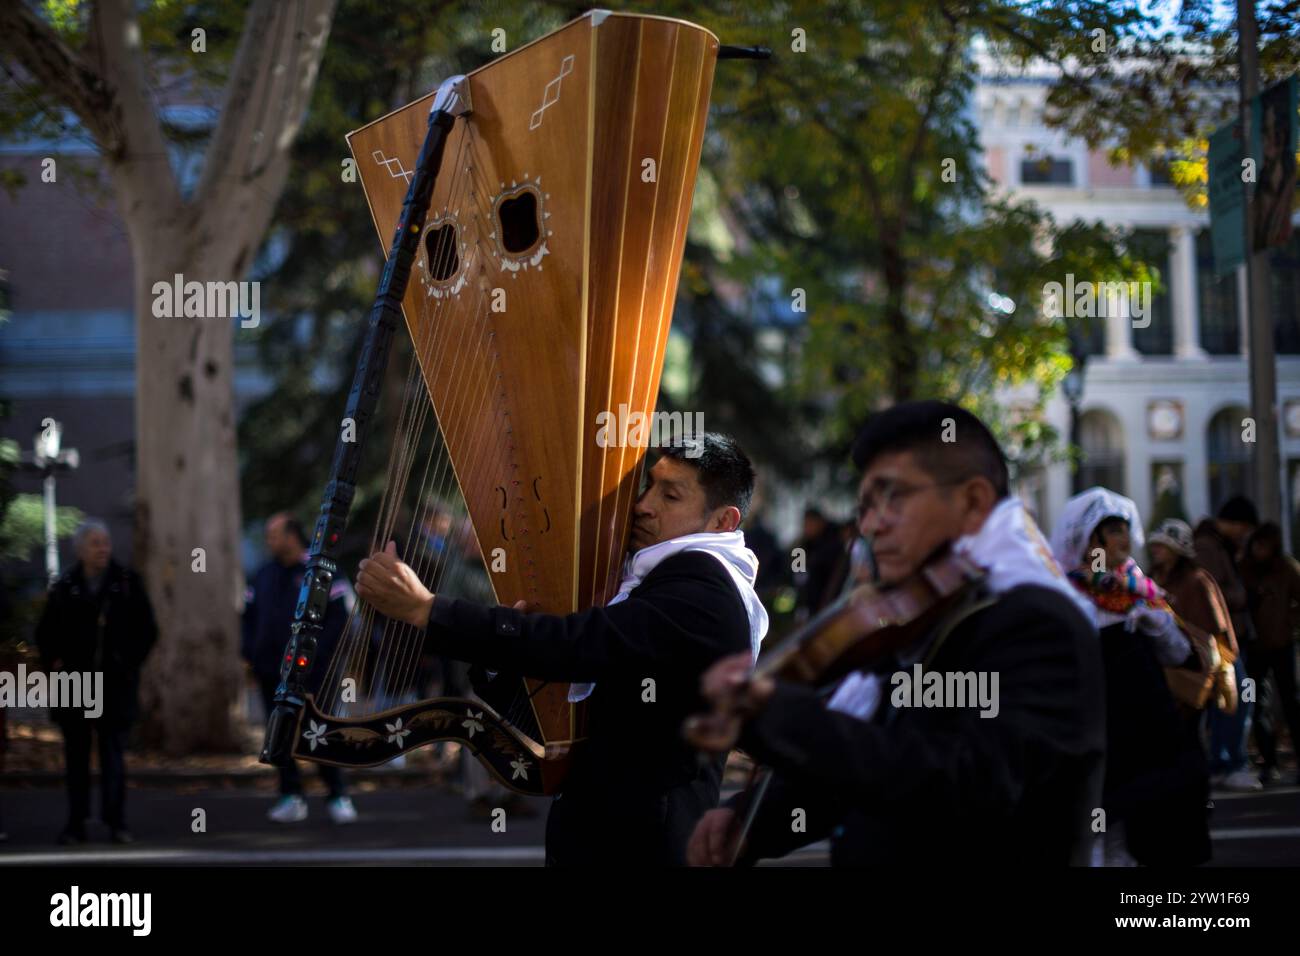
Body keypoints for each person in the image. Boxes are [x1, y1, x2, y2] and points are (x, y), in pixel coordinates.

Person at [687, 401, 1105, 867]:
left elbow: (962, 785)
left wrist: (790, 717)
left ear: (973, 501)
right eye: (865, 506)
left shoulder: (1039, 624)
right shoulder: (922, 617)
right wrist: (750, 820)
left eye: (894, 497)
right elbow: (863, 770)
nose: (870, 525)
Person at [356, 433, 767, 865]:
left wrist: (428, 610)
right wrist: (507, 651)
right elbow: (566, 700)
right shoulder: (654, 579)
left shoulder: (702, 585)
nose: (643, 504)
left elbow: (577, 645)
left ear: (723, 521)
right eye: (648, 485)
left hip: (645, 846)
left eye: (670, 495)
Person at [1051, 489, 1209, 867]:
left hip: (1148, 734)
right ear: (1089, 538)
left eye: (1125, 529)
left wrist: (1157, 624)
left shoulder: (1139, 587)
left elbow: (1177, 654)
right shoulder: (1066, 593)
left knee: (1150, 830)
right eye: (1112, 530)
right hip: (1097, 730)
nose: (1125, 538)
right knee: (1099, 829)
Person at [35, 519, 157, 844]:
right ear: (80, 549)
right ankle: (76, 823)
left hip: (114, 683)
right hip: (73, 684)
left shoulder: (127, 583)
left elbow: (147, 630)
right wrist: (55, 667)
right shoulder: (65, 585)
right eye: (95, 543)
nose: (103, 548)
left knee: (113, 755)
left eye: (105, 542)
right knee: (75, 756)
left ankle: (116, 822)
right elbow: (46, 634)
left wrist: (127, 663)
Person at [242, 512, 357, 824]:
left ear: (292, 536)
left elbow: (341, 617)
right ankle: (290, 796)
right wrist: (250, 652)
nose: (269, 541)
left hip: (314, 673)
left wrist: (319, 654)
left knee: (317, 731)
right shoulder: (263, 574)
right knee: (279, 734)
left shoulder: (323, 570)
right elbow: (248, 616)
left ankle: (337, 795)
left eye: (274, 535)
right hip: (271, 671)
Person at [1195, 496, 1260, 790]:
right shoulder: (1209, 546)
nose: (1245, 534)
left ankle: (1225, 761)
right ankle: (1229, 762)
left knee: (1230, 701)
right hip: (1219, 637)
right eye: (1244, 528)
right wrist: (1242, 596)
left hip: (1221, 636)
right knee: (1236, 700)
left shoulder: (1217, 543)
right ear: (1235, 523)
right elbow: (1214, 591)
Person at [1147, 518, 1239, 720]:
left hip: (1193, 673)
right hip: (1160, 672)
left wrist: (1220, 672)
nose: (1156, 549)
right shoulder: (1150, 580)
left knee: (1192, 736)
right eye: (1156, 544)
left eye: (1163, 545)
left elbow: (1217, 633)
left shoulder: (1197, 581)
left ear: (1178, 549)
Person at [1239, 522, 1300, 786]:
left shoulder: (1286, 569)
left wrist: (1290, 622)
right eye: (1256, 544)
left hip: (1282, 646)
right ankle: (1267, 760)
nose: (1259, 550)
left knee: (1291, 703)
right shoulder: (1244, 569)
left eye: (1264, 545)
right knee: (1255, 702)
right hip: (1254, 649)